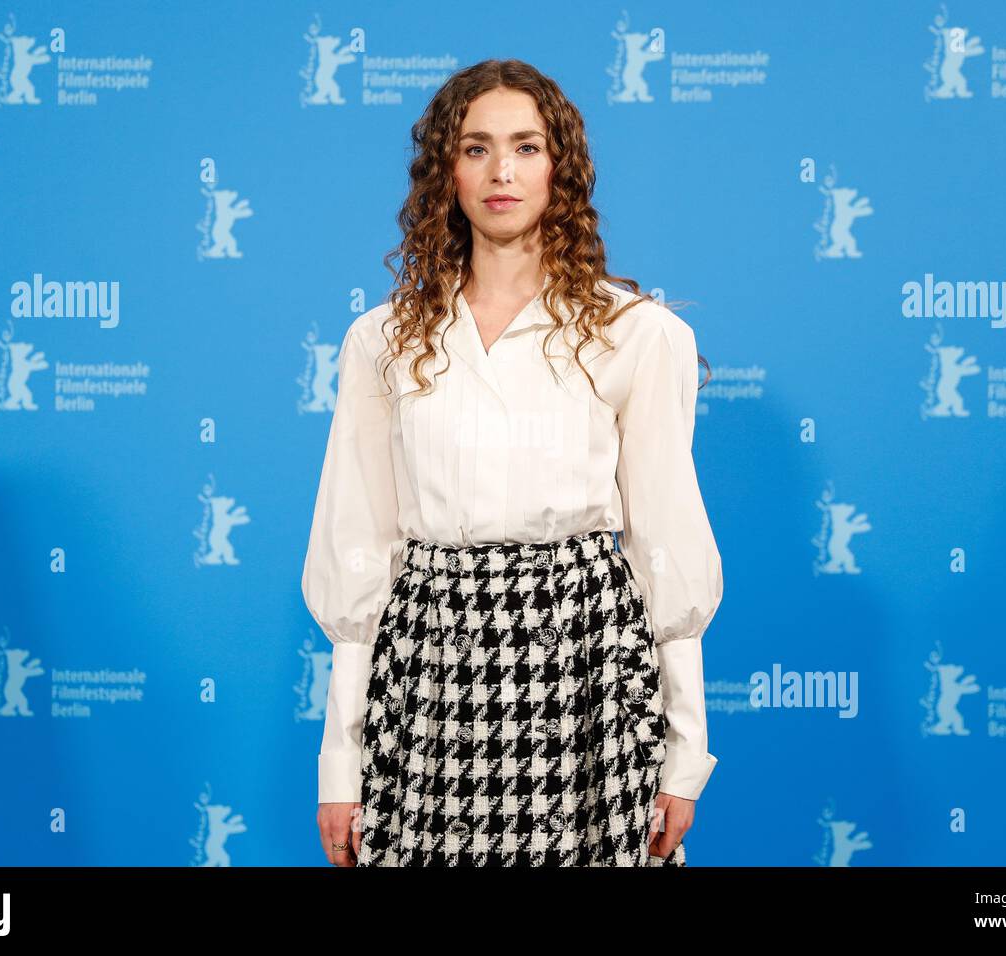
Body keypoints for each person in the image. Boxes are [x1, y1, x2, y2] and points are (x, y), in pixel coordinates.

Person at [302, 59, 724, 866]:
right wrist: (341, 765)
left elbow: (667, 551)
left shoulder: (638, 333)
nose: (502, 171)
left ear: (560, 167)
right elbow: (357, 551)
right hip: (430, 671)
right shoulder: (382, 342)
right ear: (445, 173)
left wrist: (683, 755)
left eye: (527, 147)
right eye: (476, 148)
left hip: (585, 669)